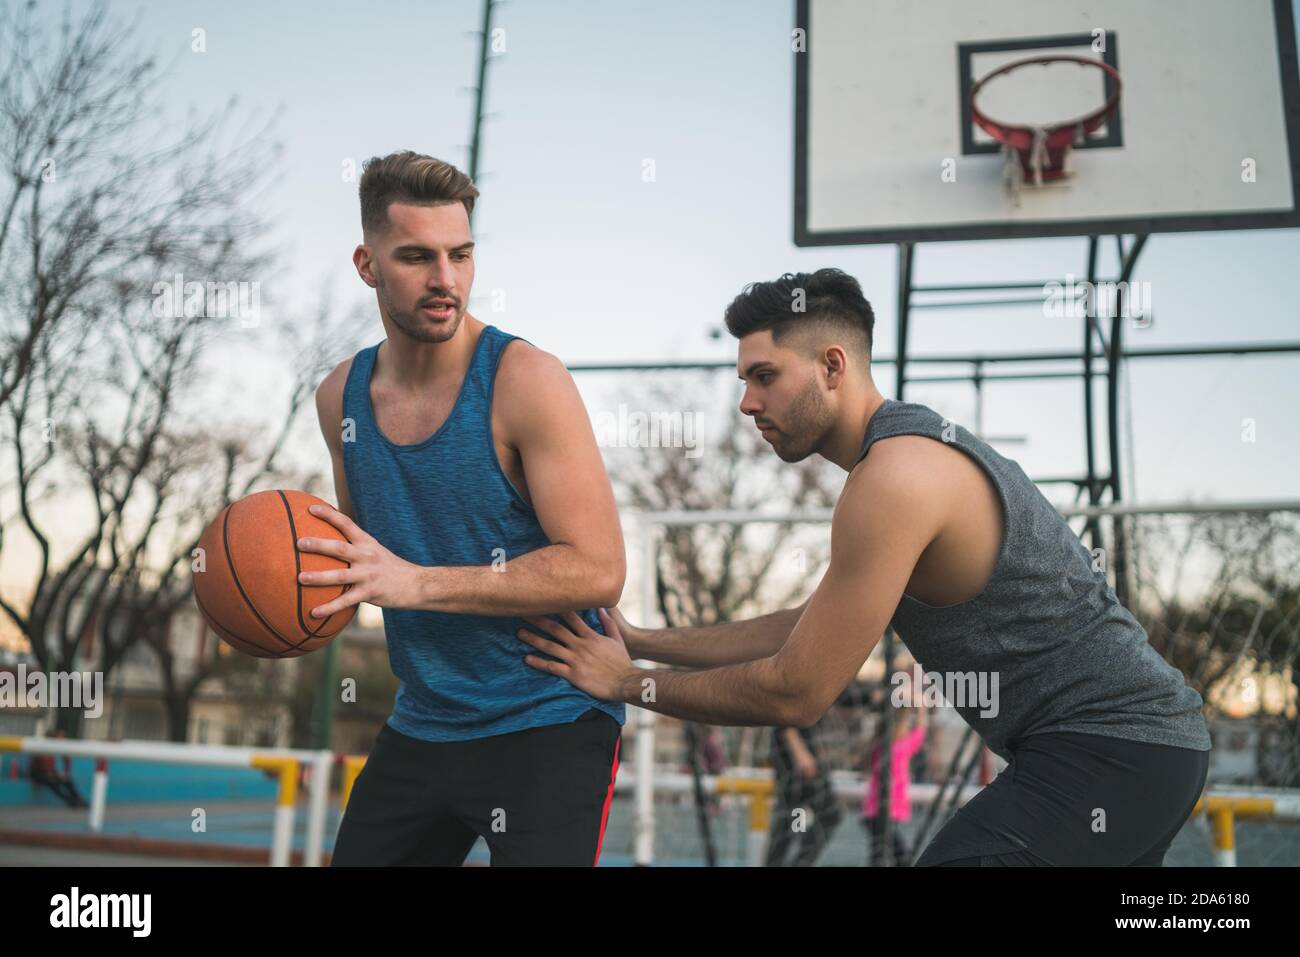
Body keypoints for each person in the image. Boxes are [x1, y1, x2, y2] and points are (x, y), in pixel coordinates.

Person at [518, 267, 1211, 866]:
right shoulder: (900, 459)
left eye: (764, 376)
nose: (747, 402)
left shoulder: (893, 477)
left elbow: (796, 690)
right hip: (1137, 752)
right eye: (744, 380)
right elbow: (803, 628)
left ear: (831, 366)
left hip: (1113, 750)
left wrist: (629, 683)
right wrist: (642, 641)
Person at [301, 151, 624, 866]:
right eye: (417, 257)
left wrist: (417, 582)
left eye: (461, 254)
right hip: (425, 721)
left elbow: (600, 568)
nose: (446, 280)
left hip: (550, 717)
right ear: (367, 264)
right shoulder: (340, 399)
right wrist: (282, 593)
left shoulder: (526, 381)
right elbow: (362, 565)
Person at [765, 718, 843, 867]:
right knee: (830, 813)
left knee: (789, 821)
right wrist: (798, 748)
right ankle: (797, 863)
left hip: (801, 747)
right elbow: (784, 710)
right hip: (793, 754)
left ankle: (787, 863)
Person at [861, 699, 927, 867]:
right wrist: (920, 708)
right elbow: (920, 731)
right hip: (886, 810)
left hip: (874, 810)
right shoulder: (900, 746)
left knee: (879, 853)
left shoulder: (878, 745)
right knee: (899, 856)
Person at [29, 729, 87, 808]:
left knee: (67, 780)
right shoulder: (42, 746)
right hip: (38, 773)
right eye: (60, 738)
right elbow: (44, 766)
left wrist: (65, 773)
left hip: (51, 772)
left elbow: (66, 759)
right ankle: (70, 801)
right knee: (53, 782)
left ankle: (78, 798)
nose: (62, 740)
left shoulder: (57, 746)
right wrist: (56, 775)